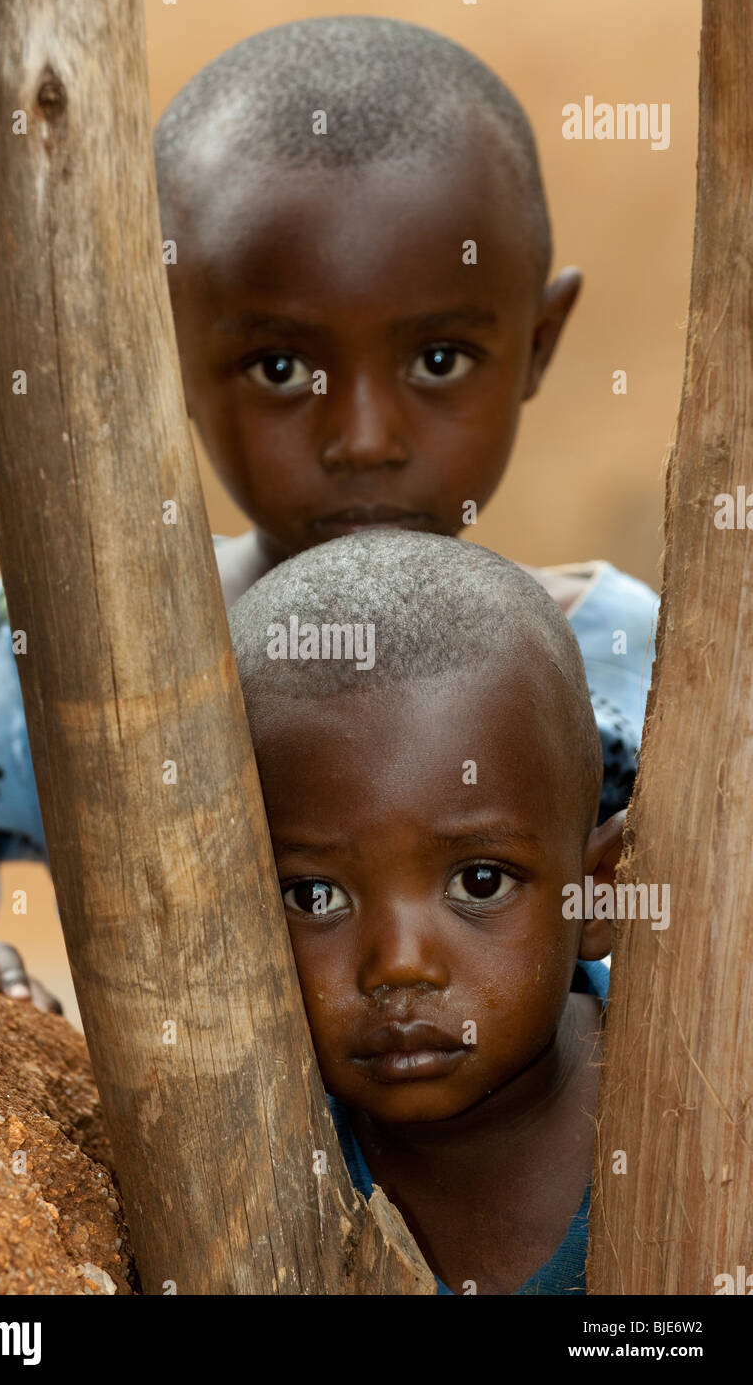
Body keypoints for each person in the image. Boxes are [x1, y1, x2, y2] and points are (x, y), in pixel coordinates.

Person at [0, 17, 655, 1004]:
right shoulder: (89, 648)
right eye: (280, 367)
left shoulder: (636, 666)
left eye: (437, 360)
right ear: (165, 356)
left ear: (538, 344)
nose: (363, 436)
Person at [228, 529, 620, 1295]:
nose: (398, 963)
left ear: (596, 891)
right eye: (314, 896)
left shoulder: (699, 1115)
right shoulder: (242, 1146)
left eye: (479, 882)